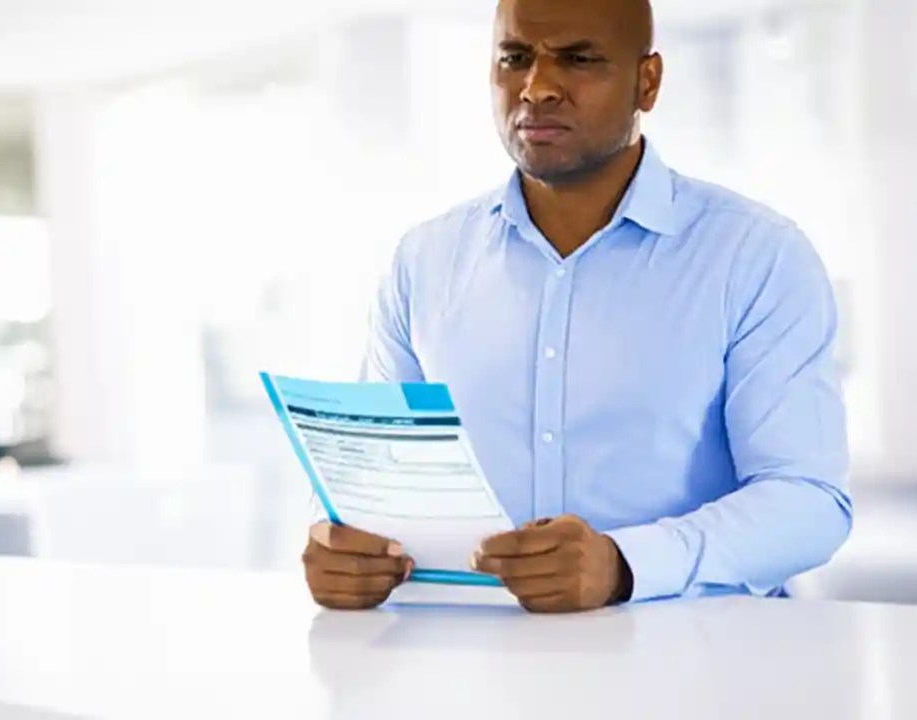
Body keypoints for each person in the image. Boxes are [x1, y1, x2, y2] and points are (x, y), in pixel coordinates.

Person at [301, 0, 852, 613]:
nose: (537, 88)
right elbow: (373, 484)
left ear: (648, 82)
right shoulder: (424, 261)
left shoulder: (755, 255)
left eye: (579, 59)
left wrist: (626, 565)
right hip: (467, 653)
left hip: (691, 656)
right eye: (515, 58)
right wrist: (341, 548)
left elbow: (809, 501)